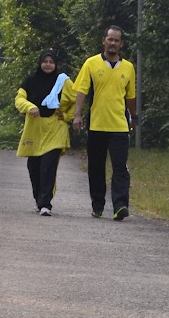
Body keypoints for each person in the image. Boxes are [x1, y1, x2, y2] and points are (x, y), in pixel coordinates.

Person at [72, 24, 136, 220]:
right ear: (104, 41)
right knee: (96, 167)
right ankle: (98, 205)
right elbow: (82, 90)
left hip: (119, 125)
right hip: (97, 124)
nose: (113, 43)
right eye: (110, 39)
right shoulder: (91, 63)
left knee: (120, 167)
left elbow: (130, 96)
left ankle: (120, 205)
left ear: (121, 44)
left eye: (117, 40)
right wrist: (77, 115)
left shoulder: (128, 67)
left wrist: (133, 117)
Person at [15, 48, 74, 215]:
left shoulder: (64, 82)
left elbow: (77, 100)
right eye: (45, 61)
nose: (48, 65)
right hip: (35, 129)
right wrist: (30, 107)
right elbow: (19, 99)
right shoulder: (30, 81)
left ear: (55, 64)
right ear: (40, 63)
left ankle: (46, 203)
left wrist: (67, 115)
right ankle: (38, 199)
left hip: (55, 128)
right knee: (33, 166)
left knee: (48, 166)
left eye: (51, 62)